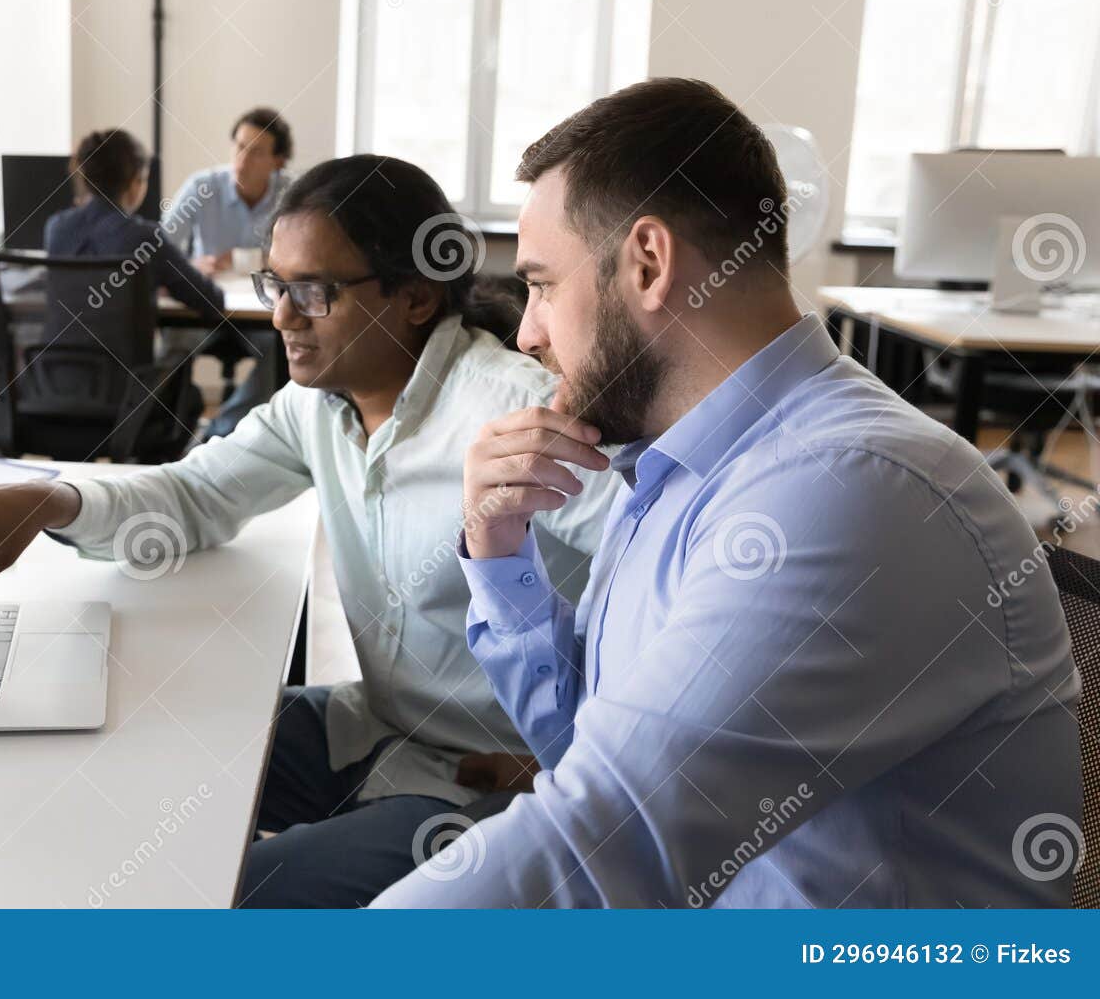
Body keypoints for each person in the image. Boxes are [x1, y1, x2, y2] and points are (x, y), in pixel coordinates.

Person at [373, 78, 1082, 908]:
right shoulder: (683, 466)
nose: (527, 333)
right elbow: (586, 749)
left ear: (647, 262)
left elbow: (605, 836)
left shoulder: (852, 491)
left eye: (540, 285)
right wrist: (499, 554)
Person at [0, 154, 623, 907]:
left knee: (237, 895)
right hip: (376, 729)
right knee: (139, 739)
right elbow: (197, 495)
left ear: (417, 297)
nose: (282, 316)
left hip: (486, 779)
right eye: (277, 285)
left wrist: (583, 760)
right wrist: (53, 503)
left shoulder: (516, 419)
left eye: (313, 292)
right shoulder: (319, 405)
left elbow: (676, 587)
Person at [45, 127, 226, 330]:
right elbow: (211, 300)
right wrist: (163, 279)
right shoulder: (146, 238)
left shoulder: (56, 228)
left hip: (56, 360)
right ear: (135, 183)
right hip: (120, 362)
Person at [161, 106, 292, 275]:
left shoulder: (292, 193)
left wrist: (244, 259)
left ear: (278, 162)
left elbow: (303, 257)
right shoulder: (201, 187)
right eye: (240, 147)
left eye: (256, 152)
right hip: (208, 292)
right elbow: (159, 248)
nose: (243, 160)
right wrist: (190, 267)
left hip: (268, 296)